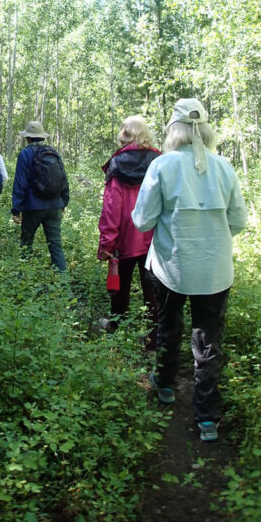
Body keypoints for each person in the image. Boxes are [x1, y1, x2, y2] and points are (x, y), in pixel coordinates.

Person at [132, 98, 247, 442]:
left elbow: (142, 220)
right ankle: (207, 419)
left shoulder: (162, 167)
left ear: (174, 131)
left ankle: (165, 386)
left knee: (169, 325)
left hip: (171, 267)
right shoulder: (224, 167)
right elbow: (238, 221)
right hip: (214, 271)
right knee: (208, 340)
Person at [97, 115, 161, 348]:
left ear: (125, 135)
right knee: (153, 289)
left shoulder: (117, 163)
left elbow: (112, 207)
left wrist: (107, 241)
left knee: (119, 284)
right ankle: (153, 339)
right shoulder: (159, 161)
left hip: (124, 237)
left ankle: (117, 325)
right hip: (154, 238)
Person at [11, 120, 70, 274]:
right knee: (55, 245)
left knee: (26, 243)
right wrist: (64, 201)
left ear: (28, 138)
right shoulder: (53, 152)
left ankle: (24, 279)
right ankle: (64, 286)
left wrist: (16, 209)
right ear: (42, 137)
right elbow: (63, 178)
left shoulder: (25, 153)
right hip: (55, 206)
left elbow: (20, 183)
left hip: (32, 207)